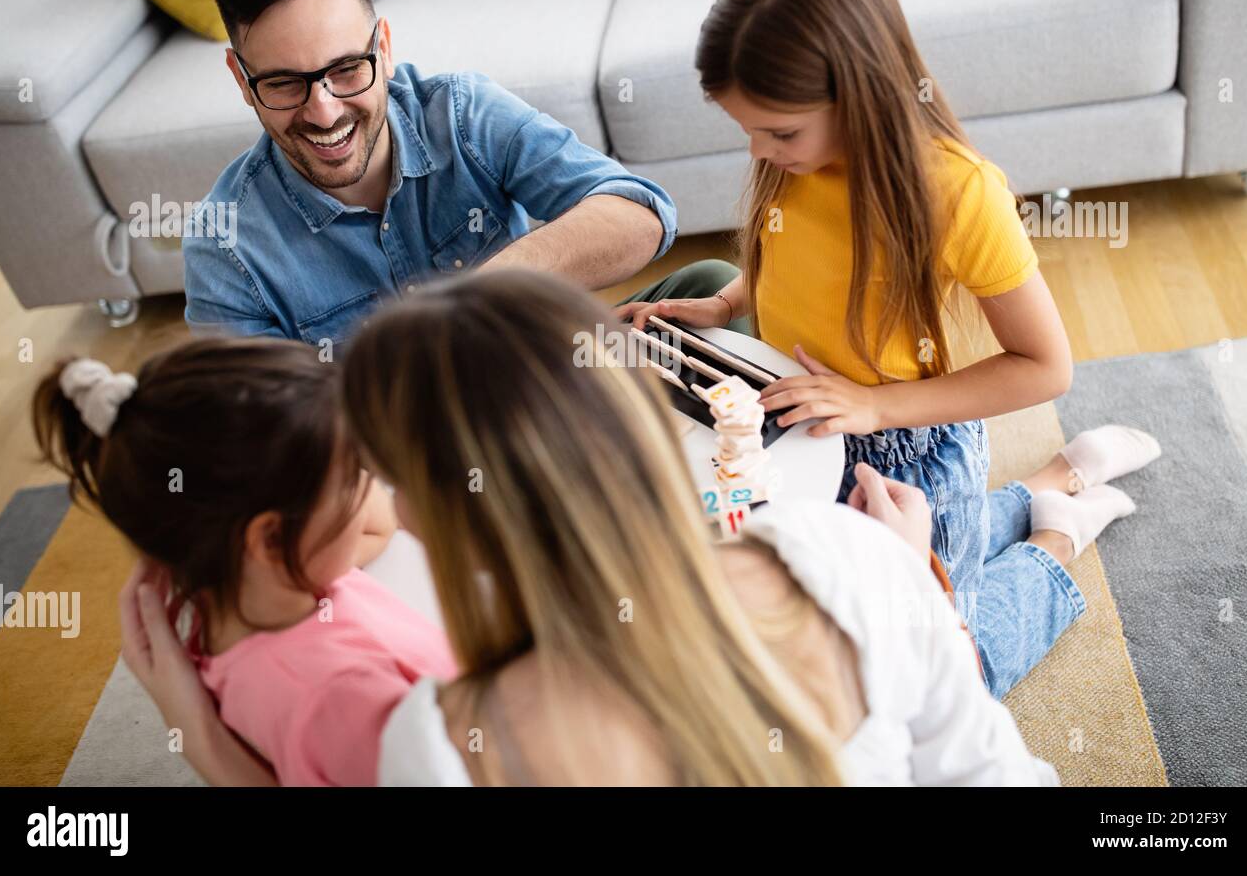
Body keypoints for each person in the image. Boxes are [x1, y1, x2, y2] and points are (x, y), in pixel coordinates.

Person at [121, 269, 1059, 786]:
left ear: (419, 516)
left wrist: (204, 744)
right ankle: (1054, 516)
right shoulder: (842, 555)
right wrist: (914, 598)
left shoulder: (439, 747)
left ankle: (1054, 518)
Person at [620, 0, 1161, 697]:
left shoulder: (959, 193)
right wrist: (724, 304)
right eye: (748, 130)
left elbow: (1046, 367)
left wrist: (875, 403)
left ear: (861, 96)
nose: (757, 150)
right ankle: (1049, 479)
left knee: (939, 677)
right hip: (802, 429)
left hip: (906, 456)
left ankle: (1059, 532)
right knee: (825, 638)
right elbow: (796, 256)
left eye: (778, 132)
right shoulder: (797, 155)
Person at [182, 0, 740, 347]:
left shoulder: (459, 111)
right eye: (283, 83)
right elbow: (262, 443)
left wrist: (477, 296)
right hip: (408, 466)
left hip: (553, 381)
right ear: (241, 77)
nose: (324, 112)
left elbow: (642, 215)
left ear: (384, 46)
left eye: (348, 68)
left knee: (713, 282)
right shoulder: (225, 250)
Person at [30, 339, 455, 786]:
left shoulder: (242, 594)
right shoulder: (342, 701)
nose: (372, 483)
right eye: (352, 477)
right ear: (269, 538)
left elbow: (376, 524)